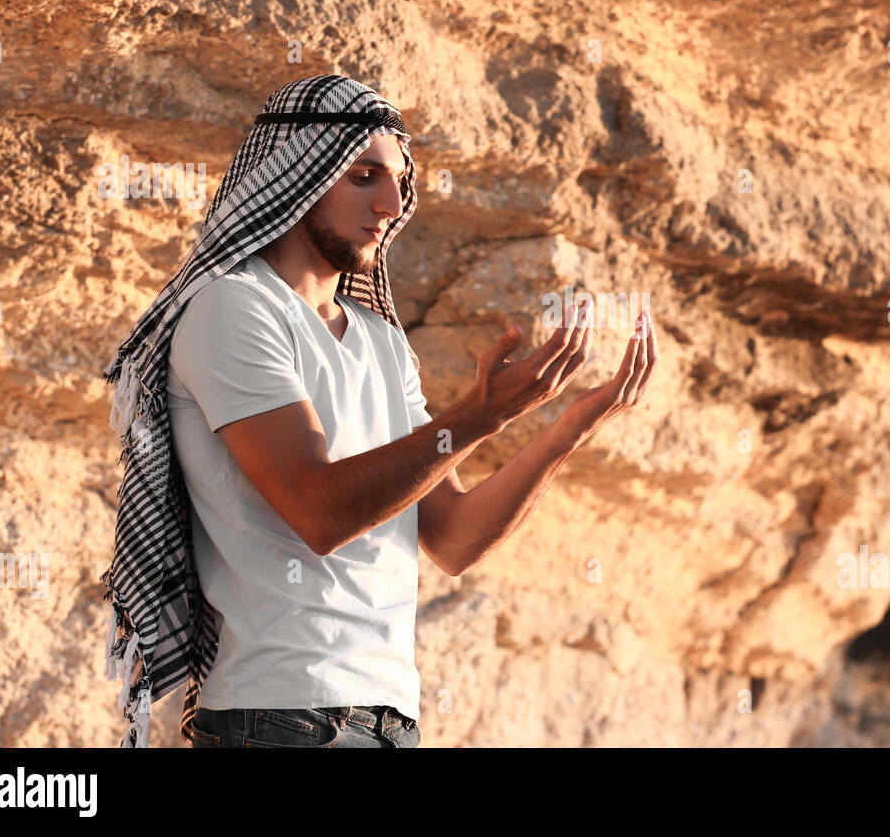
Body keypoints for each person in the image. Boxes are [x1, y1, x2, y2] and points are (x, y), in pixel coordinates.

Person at [99, 75, 657, 747]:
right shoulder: (233, 308)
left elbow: (452, 538)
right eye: (364, 177)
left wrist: (568, 428)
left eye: (398, 181)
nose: (393, 203)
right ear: (296, 176)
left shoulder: (380, 341)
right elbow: (319, 511)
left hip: (388, 719)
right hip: (280, 715)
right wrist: (479, 417)